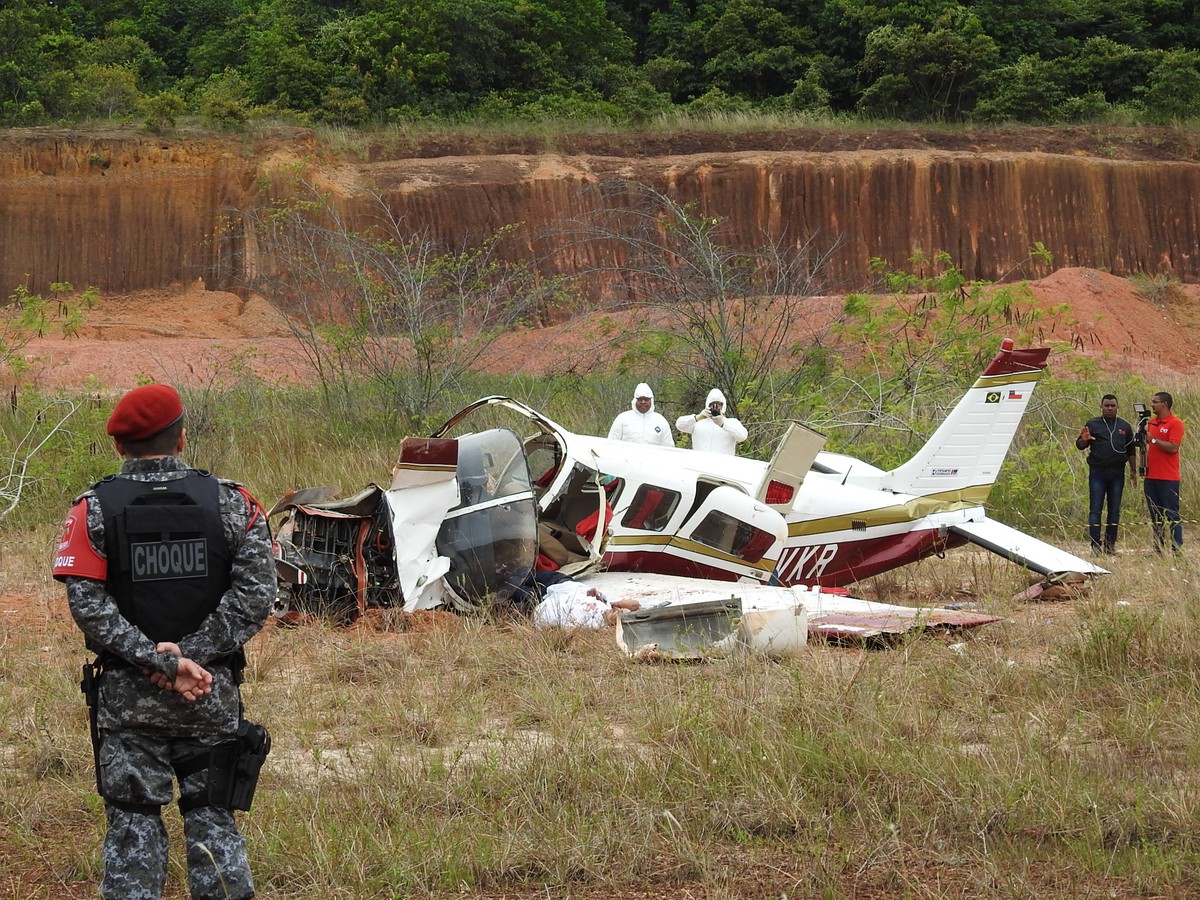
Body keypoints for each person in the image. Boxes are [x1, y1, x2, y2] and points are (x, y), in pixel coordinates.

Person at [52, 384, 276, 900]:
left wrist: (159, 661)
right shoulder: (233, 503)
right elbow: (256, 596)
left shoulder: (92, 509)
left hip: (128, 704)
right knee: (213, 822)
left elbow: (88, 606)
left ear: (118, 446)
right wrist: (189, 659)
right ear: (181, 438)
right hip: (208, 693)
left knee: (132, 829)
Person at [1075, 394, 1137, 553]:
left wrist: (1133, 470)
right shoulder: (1093, 424)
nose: (1110, 408)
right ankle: (1095, 546)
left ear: (1118, 408)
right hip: (1098, 473)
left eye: (1112, 406)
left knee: (1114, 511)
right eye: (1107, 406)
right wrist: (1084, 439)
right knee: (1095, 510)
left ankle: (1110, 546)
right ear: (1101, 407)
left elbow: (1131, 451)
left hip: (1117, 473)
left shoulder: (1124, 426)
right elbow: (1080, 445)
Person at [1143, 390, 1185, 552]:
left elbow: (1173, 447)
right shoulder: (1151, 423)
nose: (1152, 404)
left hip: (1168, 478)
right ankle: (1158, 548)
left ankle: (1176, 549)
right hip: (1151, 476)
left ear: (1164, 404)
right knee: (1155, 515)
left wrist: (1153, 440)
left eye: (1155, 402)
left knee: (1172, 514)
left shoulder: (1175, 423)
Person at [675, 388, 748, 455]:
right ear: (708, 405)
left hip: (723, 464)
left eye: (718, 404)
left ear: (723, 405)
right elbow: (679, 425)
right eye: (712, 404)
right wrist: (697, 417)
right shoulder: (698, 423)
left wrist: (723, 424)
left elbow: (742, 436)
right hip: (699, 463)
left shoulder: (732, 422)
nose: (715, 407)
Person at [607, 382, 674, 446]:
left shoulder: (661, 421)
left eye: (646, 399)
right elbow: (611, 443)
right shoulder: (622, 418)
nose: (643, 402)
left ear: (651, 400)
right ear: (635, 400)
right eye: (640, 399)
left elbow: (668, 447)